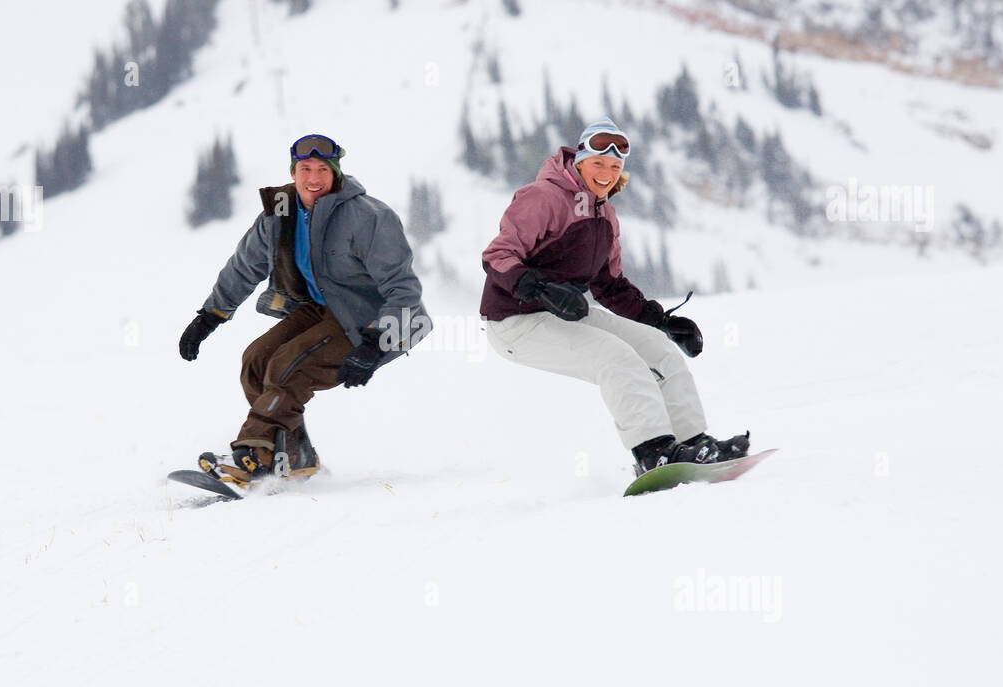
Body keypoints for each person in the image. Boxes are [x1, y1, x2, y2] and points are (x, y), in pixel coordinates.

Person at [479, 118, 748, 475]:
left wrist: (662, 322)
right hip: (514, 320)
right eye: (598, 163)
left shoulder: (603, 213)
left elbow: (610, 285)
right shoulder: (543, 197)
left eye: (615, 166)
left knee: (659, 350)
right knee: (616, 358)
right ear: (579, 161)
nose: (606, 173)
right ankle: (653, 454)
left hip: (565, 314)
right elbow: (497, 256)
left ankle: (693, 444)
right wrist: (539, 287)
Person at [178, 133, 430, 483]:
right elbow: (244, 266)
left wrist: (377, 342)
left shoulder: (368, 216)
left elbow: (403, 289)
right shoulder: (281, 211)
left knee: (287, 367)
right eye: (305, 169)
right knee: (256, 360)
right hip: (319, 308)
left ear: (336, 173)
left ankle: (254, 456)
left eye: (323, 169)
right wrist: (209, 317)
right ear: (293, 172)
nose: (314, 179)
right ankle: (294, 456)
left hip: (367, 319)